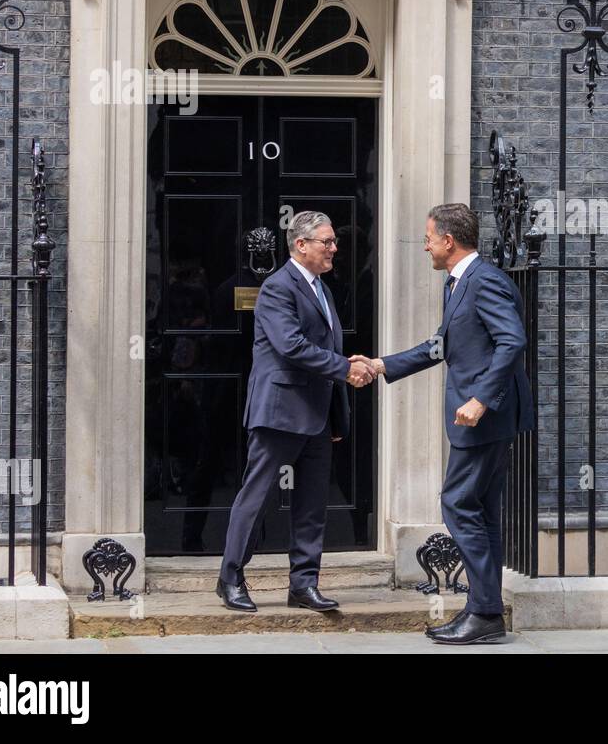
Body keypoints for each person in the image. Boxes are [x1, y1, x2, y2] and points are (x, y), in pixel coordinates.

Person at [364, 203, 533, 645]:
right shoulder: (459, 284)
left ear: (448, 241)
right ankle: (486, 612)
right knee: (481, 512)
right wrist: (384, 364)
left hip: (481, 419)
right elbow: (441, 345)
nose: (424, 245)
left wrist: (480, 399)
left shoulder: (485, 281)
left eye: (428, 237)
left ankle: (484, 610)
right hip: (481, 418)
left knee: (457, 503)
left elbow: (512, 340)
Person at [216, 210, 376, 613]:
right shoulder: (277, 287)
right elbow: (291, 346)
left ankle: (303, 584)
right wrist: (346, 369)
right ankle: (230, 578)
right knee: (256, 499)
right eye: (327, 242)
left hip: (318, 417)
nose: (335, 248)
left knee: (311, 503)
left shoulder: (322, 287)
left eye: (334, 242)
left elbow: (328, 346)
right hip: (279, 411)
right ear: (301, 245)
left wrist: (339, 406)